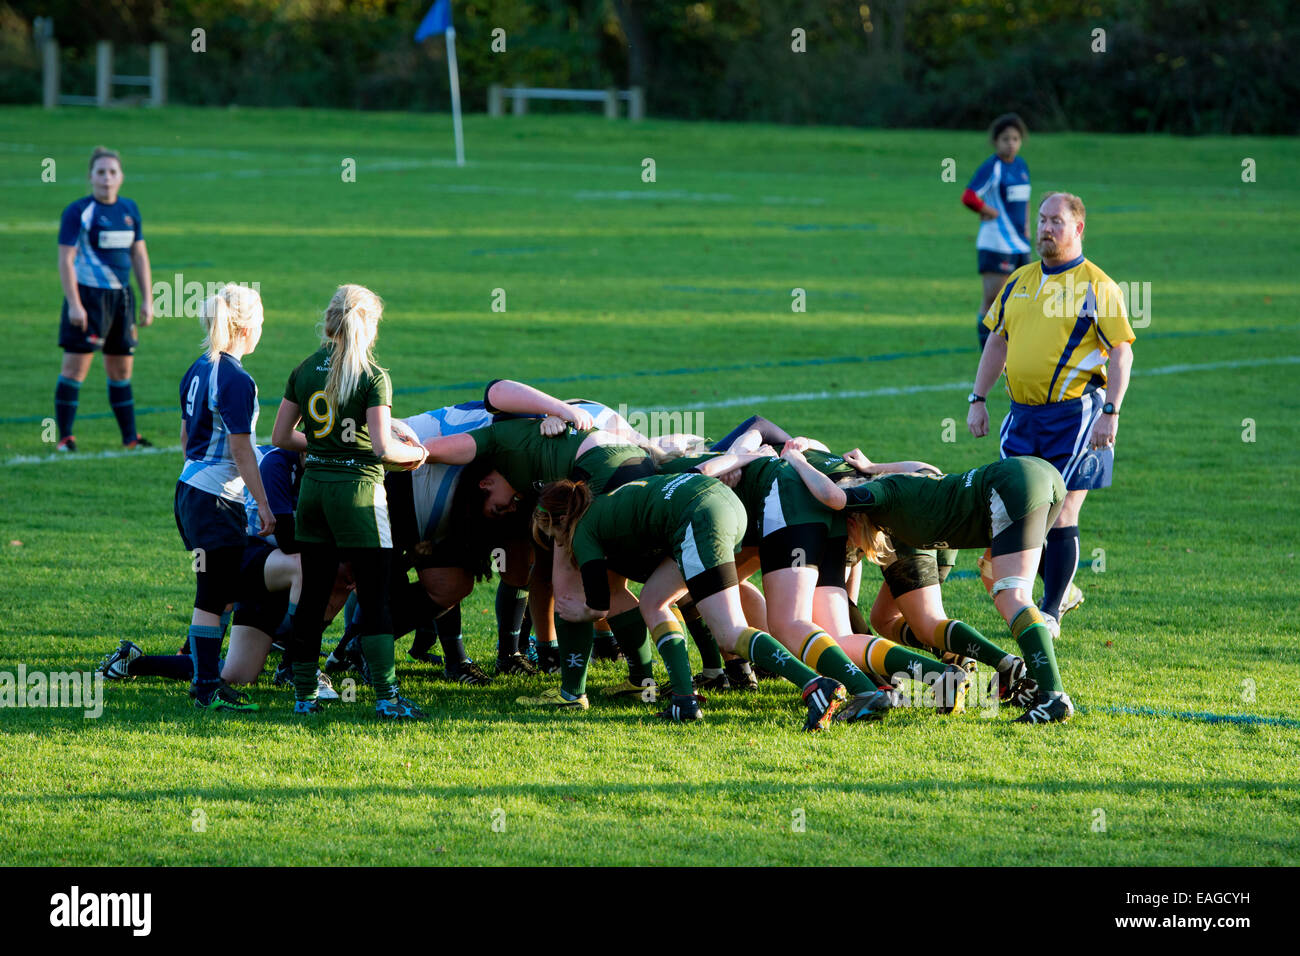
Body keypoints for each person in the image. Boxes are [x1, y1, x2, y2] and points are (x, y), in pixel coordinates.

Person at [534, 473, 848, 729]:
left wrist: (581, 611)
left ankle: (814, 684)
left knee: (729, 631)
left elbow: (600, 605)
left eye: (548, 531)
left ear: (559, 520)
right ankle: (684, 702)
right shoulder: (607, 503)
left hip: (699, 517)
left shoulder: (584, 529)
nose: (553, 540)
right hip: (725, 505)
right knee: (654, 600)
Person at [783, 448, 1075, 723]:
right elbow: (926, 468)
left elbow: (833, 497)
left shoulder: (882, 493)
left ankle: (1052, 696)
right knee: (982, 580)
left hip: (1011, 483)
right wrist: (873, 467)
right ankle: (1031, 680)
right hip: (1038, 477)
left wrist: (796, 460)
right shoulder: (898, 488)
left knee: (1011, 593)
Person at [966, 191, 1136, 639]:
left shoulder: (1098, 285)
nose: (1045, 228)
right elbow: (997, 341)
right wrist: (977, 398)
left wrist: (1112, 412)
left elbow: (1121, 352)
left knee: (1057, 511)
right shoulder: (1020, 280)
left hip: (1078, 415)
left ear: (1078, 228)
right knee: (1018, 510)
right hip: (1021, 416)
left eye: (1056, 221)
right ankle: (1060, 590)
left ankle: (1051, 612)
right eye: (1041, 220)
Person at [271, 284, 428, 718]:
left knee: (313, 595)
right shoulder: (373, 376)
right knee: (376, 595)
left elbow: (280, 437)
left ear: (330, 320)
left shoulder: (304, 369)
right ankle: (387, 698)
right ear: (369, 325)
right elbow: (382, 449)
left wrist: (324, 450)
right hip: (359, 496)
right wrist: (419, 454)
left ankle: (304, 695)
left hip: (314, 493)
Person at [174, 284, 272, 711]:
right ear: (247, 327)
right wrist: (263, 504)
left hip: (190, 490)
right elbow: (241, 449)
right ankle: (207, 686)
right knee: (212, 597)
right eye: (263, 322)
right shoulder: (236, 378)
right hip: (215, 501)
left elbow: (184, 436)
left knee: (218, 592)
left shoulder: (197, 367)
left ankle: (204, 679)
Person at [54, 146, 154, 452]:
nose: (107, 178)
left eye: (112, 172)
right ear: (90, 177)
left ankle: (131, 439)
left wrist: (147, 299)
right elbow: (65, 259)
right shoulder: (78, 212)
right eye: (100, 172)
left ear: (121, 177)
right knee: (75, 369)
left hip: (123, 301)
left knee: (121, 371)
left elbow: (139, 254)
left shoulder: (129, 209)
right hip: (89, 299)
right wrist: (74, 303)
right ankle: (65, 439)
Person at [962, 114, 1031, 350]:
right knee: (993, 301)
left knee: (1022, 299)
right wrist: (988, 210)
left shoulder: (1021, 166)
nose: (1010, 143)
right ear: (995, 141)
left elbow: (1025, 201)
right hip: (996, 243)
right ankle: (987, 355)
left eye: (1015, 138)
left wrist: (1028, 229)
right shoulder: (993, 167)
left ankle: (1013, 350)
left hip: (1020, 244)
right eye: (1005, 139)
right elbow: (969, 196)